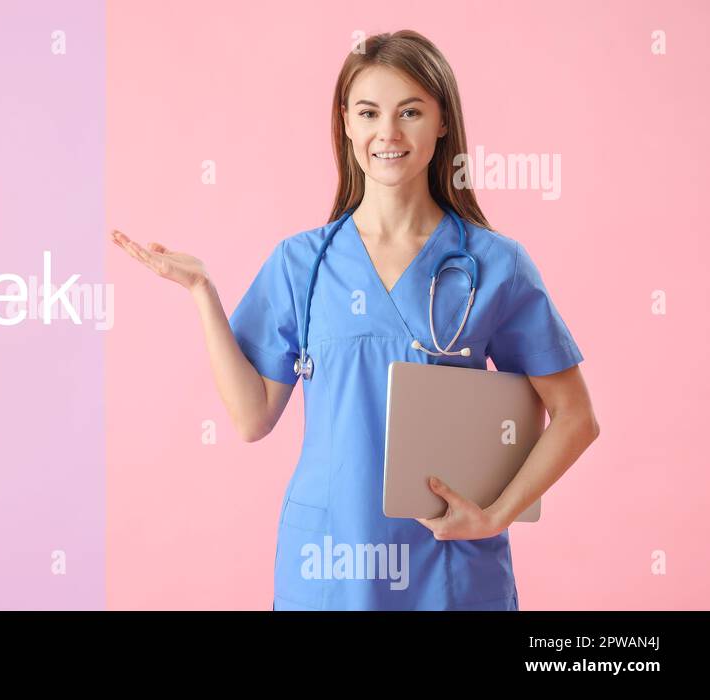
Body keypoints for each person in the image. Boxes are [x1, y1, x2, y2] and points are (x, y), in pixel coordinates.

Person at [110, 30, 600, 610]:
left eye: (411, 112)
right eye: (368, 113)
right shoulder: (302, 263)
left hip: (449, 564)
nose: (387, 133)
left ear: (443, 123)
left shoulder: (495, 264)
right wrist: (201, 291)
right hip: (328, 560)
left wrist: (494, 516)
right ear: (345, 123)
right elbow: (251, 417)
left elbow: (575, 418)